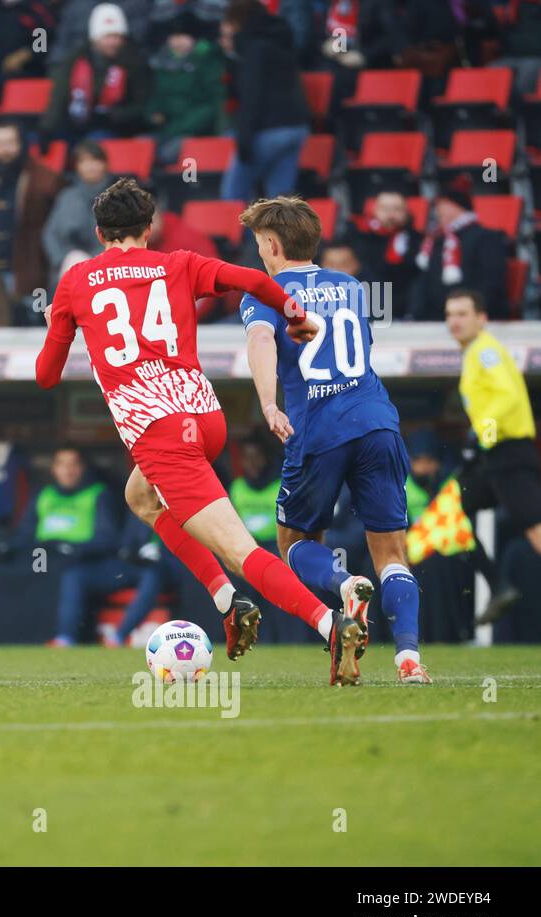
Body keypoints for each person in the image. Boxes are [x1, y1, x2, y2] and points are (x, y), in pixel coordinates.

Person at [36, 178, 365, 683]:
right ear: (150, 227)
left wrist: (64, 322)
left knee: (241, 551)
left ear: (100, 233)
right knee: (141, 497)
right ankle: (228, 602)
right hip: (205, 417)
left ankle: (328, 624)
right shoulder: (179, 262)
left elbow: (46, 376)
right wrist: (294, 313)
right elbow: (253, 281)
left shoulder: (77, 279)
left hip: (160, 432)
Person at [239, 195, 429, 685]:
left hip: (317, 430)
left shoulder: (263, 290)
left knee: (295, 543)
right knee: (391, 551)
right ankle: (409, 660)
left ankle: (346, 584)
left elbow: (261, 341)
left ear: (273, 244)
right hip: (376, 422)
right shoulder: (350, 286)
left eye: (260, 243)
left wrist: (267, 403)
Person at [446, 287, 541, 623]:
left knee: (535, 531)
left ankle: (498, 584)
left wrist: (480, 434)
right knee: (455, 512)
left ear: (481, 318)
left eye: (462, 314)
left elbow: (505, 399)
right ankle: (498, 585)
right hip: (495, 455)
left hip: (510, 452)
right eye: (450, 315)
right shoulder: (475, 353)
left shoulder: (486, 352)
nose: (454, 321)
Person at [12, 446, 156, 647]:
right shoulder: (43, 495)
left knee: (70, 573)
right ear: (53, 469)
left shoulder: (98, 494)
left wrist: (73, 548)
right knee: (37, 567)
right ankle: (23, 636)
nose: (67, 470)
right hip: (43, 554)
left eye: (73, 465)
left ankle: (66, 638)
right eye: (62, 464)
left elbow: (108, 539)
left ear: (82, 468)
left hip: (85, 558)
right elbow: (25, 534)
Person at [218, 0, 310, 204]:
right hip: (296, 128)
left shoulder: (253, 50)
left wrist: (244, 141)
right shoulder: (281, 40)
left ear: (236, 23)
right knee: (280, 201)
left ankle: (234, 236)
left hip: (268, 130)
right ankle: (280, 237)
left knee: (233, 194)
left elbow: (252, 96)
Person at [0, 120, 60, 301]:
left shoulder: (44, 180)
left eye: (9, 143)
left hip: (26, 274)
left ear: (22, 144)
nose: (4, 150)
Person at [41, 4, 152, 143]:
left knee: (93, 142)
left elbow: (141, 106)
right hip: (77, 123)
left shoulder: (135, 63)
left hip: (118, 129)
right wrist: (47, 128)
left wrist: (111, 116)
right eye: (107, 37)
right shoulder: (75, 60)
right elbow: (59, 96)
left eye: (117, 36)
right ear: (95, 38)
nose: (113, 42)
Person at [410, 176, 508, 323]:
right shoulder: (435, 240)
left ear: (457, 206)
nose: (437, 212)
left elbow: (490, 283)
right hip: (434, 317)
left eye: (442, 205)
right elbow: (423, 280)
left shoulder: (486, 238)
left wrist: (468, 312)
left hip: (473, 318)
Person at [144, 12, 224, 164]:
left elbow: (211, 105)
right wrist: (152, 113)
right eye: (174, 36)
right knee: (140, 147)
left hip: (194, 132)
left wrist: (180, 127)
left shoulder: (207, 62)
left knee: (167, 154)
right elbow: (154, 98)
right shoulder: (160, 64)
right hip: (165, 131)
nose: (177, 42)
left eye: (183, 36)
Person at [42, 140, 113, 289]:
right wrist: (63, 259)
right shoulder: (67, 196)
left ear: (104, 163)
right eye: (83, 162)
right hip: (67, 266)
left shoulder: (118, 196)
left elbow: (121, 236)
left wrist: (91, 263)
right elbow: (50, 234)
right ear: (76, 166)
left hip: (107, 270)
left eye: (95, 160)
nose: (90, 166)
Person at [344, 191, 421, 322]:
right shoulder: (359, 237)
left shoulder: (418, 239)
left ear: (406, 213)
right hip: (371, 304)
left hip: (406, 303)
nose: (391, 215)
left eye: (397, 209)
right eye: (385, 209)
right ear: (375, 211)